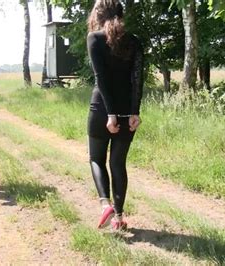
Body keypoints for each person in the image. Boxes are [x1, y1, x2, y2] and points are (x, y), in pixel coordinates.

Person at [86, 0, 144, 230]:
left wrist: (110, 115)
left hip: (101, 110)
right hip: (126, 113)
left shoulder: (95, 38)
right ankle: (118, 218)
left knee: (95, 159)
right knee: (118, 164)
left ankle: (105, 205)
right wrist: (134, 112)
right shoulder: (135, 42)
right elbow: (137, 80)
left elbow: (101, 79)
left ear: (99, 14)